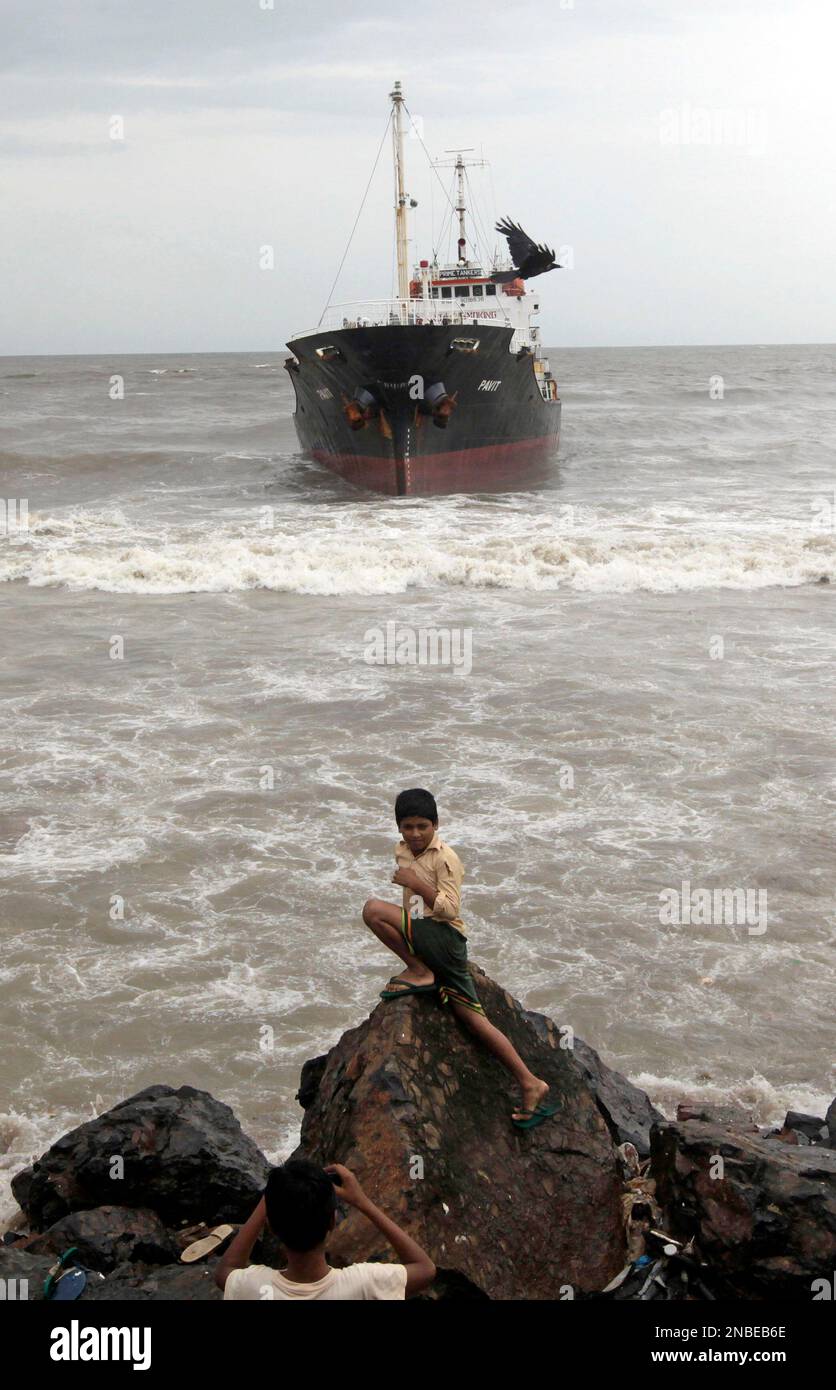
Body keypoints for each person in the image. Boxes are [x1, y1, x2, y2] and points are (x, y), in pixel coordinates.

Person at [362, 787, 557, 1131]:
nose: (415, 833)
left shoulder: (446, 858)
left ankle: (420, 970)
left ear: (436, 825)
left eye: (423, 826)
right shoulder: (403, 851)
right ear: (398, 829)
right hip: (425, 933)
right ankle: (529, 1082)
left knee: (374, 910)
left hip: (444, 938)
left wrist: (416, 884)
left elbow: (450, 908)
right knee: (472, 1018)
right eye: (408, 827)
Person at [215, 1159, 435, 1300]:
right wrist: (362, 1202)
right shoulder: (364, 1284)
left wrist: (268, 1200)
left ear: (271, 1226)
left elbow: (227, 1270)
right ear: (333, 1220)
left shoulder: (253, 1287)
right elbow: (424, 1268)